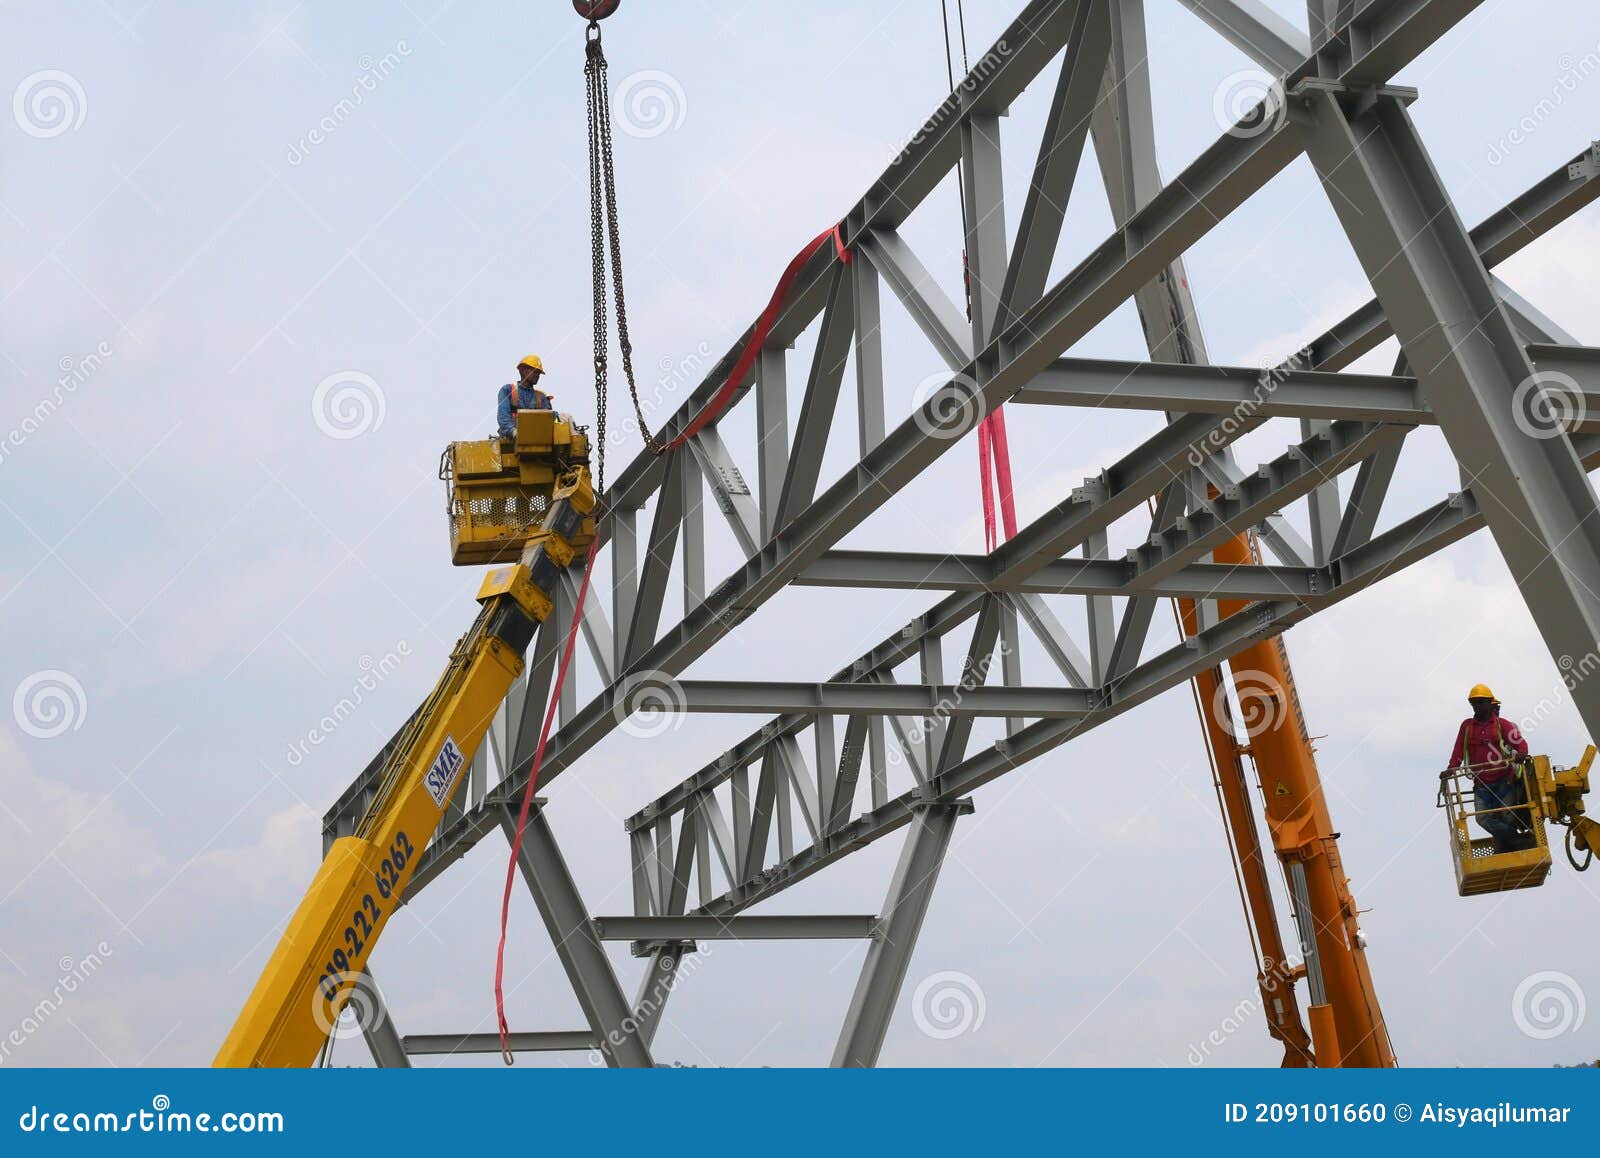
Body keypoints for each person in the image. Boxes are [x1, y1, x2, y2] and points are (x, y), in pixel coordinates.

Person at [1442, 683, 1534, 853]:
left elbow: (1520, 744)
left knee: (1507, 816)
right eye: (1473, 703)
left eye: (1480, 702)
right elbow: (1458, 752)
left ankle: (1505, 848)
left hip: (1504, 780)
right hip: (1482, 783)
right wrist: (1451, 769)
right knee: (1482, 818)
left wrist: (1522, 754)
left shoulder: (1502, 724)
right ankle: (1517, 841)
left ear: (1489, 703)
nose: (1476, 706)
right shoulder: (1467, 727)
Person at [497, 354, 554, 438]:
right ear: (522, 370)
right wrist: (514, 432)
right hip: (511, 439)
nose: (537, 375)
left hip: (536, 438)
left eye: (539, 373)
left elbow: (547, 421)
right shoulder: (508, 390)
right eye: (534, 371)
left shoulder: (541, 397)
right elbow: (503, 418)